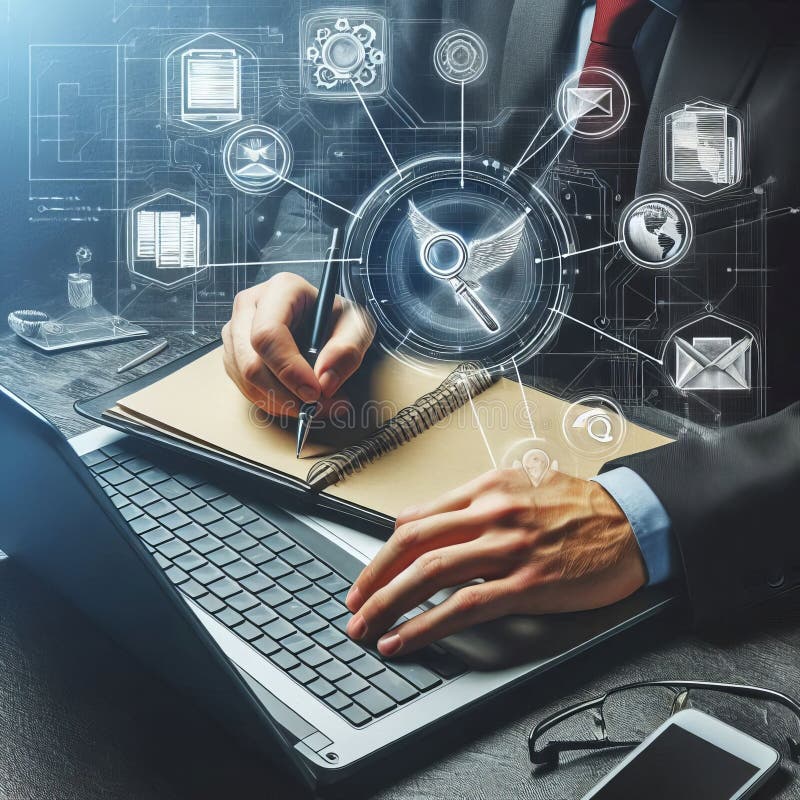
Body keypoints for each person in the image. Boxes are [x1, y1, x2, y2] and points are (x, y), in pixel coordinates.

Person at [223, 0, 800, 659]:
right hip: (429, 458)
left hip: (716, 568)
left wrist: (648, 512)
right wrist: (303, 288)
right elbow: (334, 177)